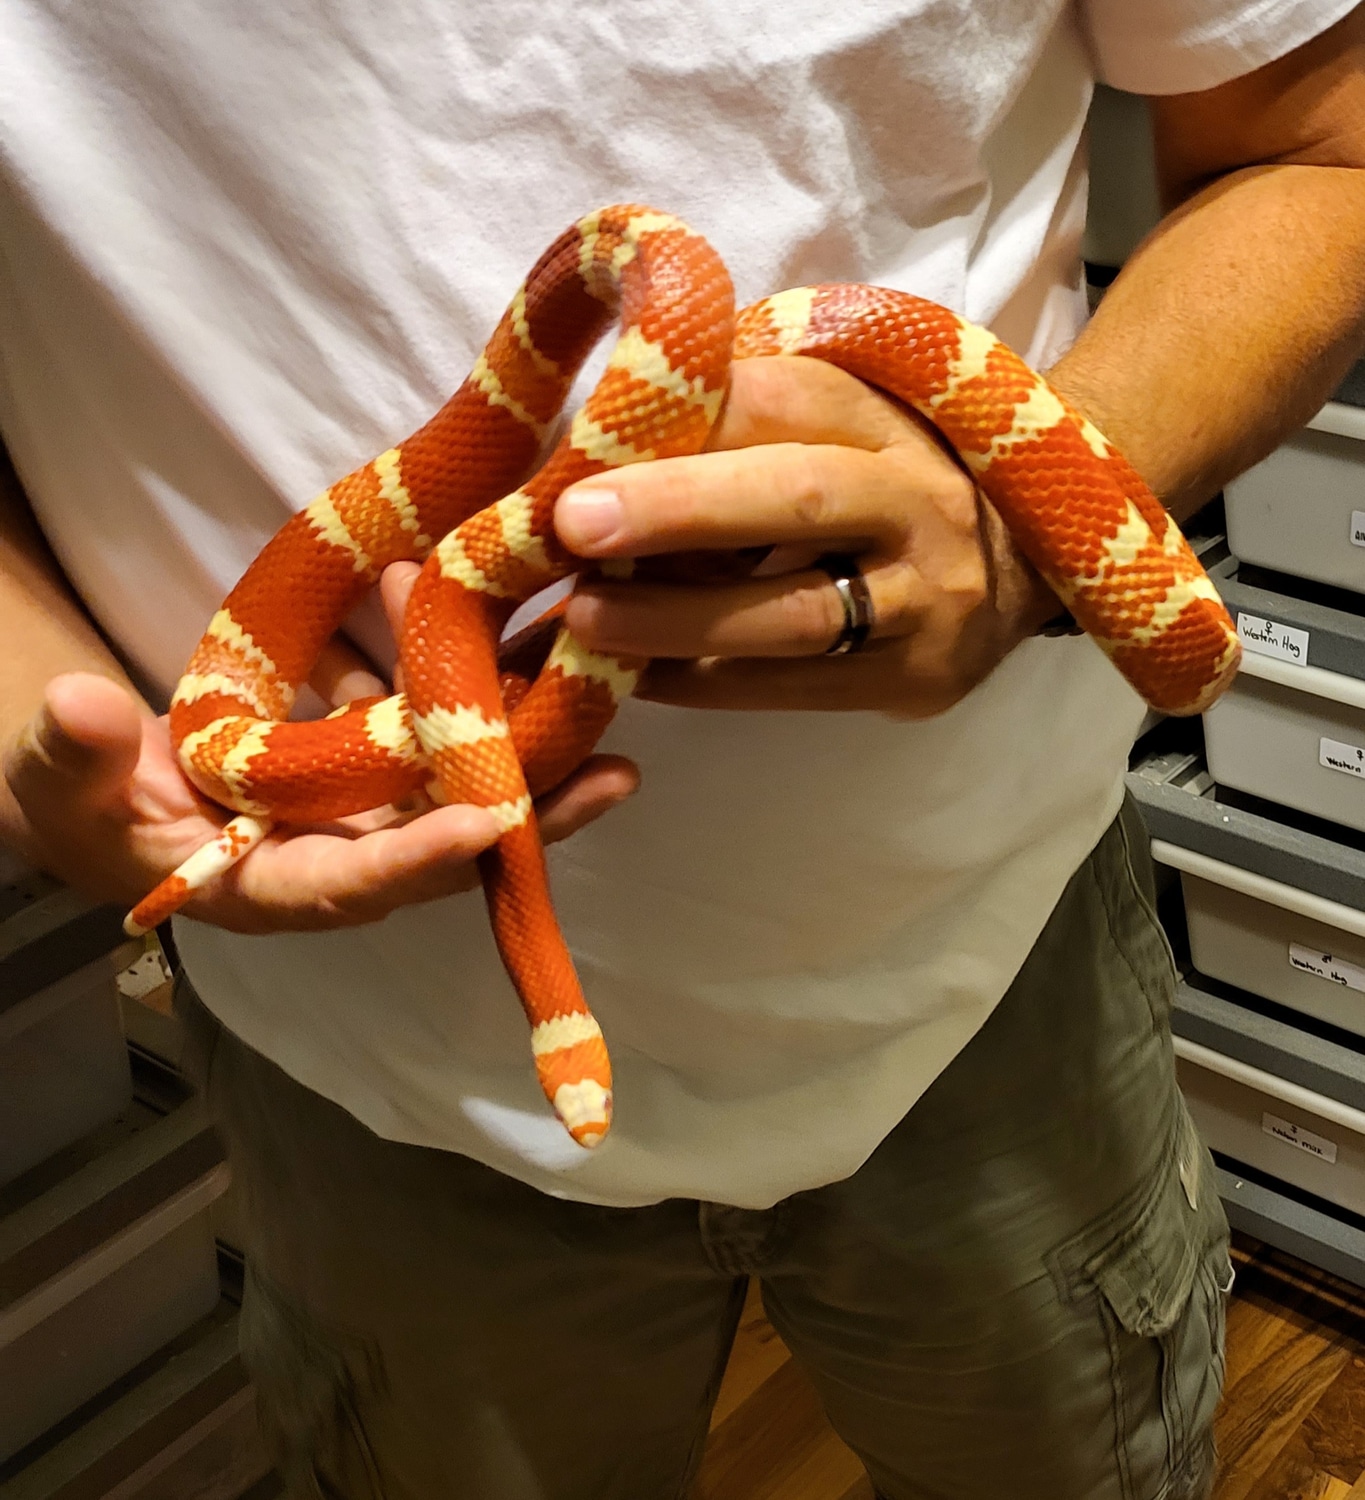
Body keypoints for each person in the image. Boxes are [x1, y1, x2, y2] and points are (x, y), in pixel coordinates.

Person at [2, 2, 1364, 1494]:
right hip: (363, 1066)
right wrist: (36, 700)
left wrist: (1025, 526)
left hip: (981, 955)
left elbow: (1323, 148)